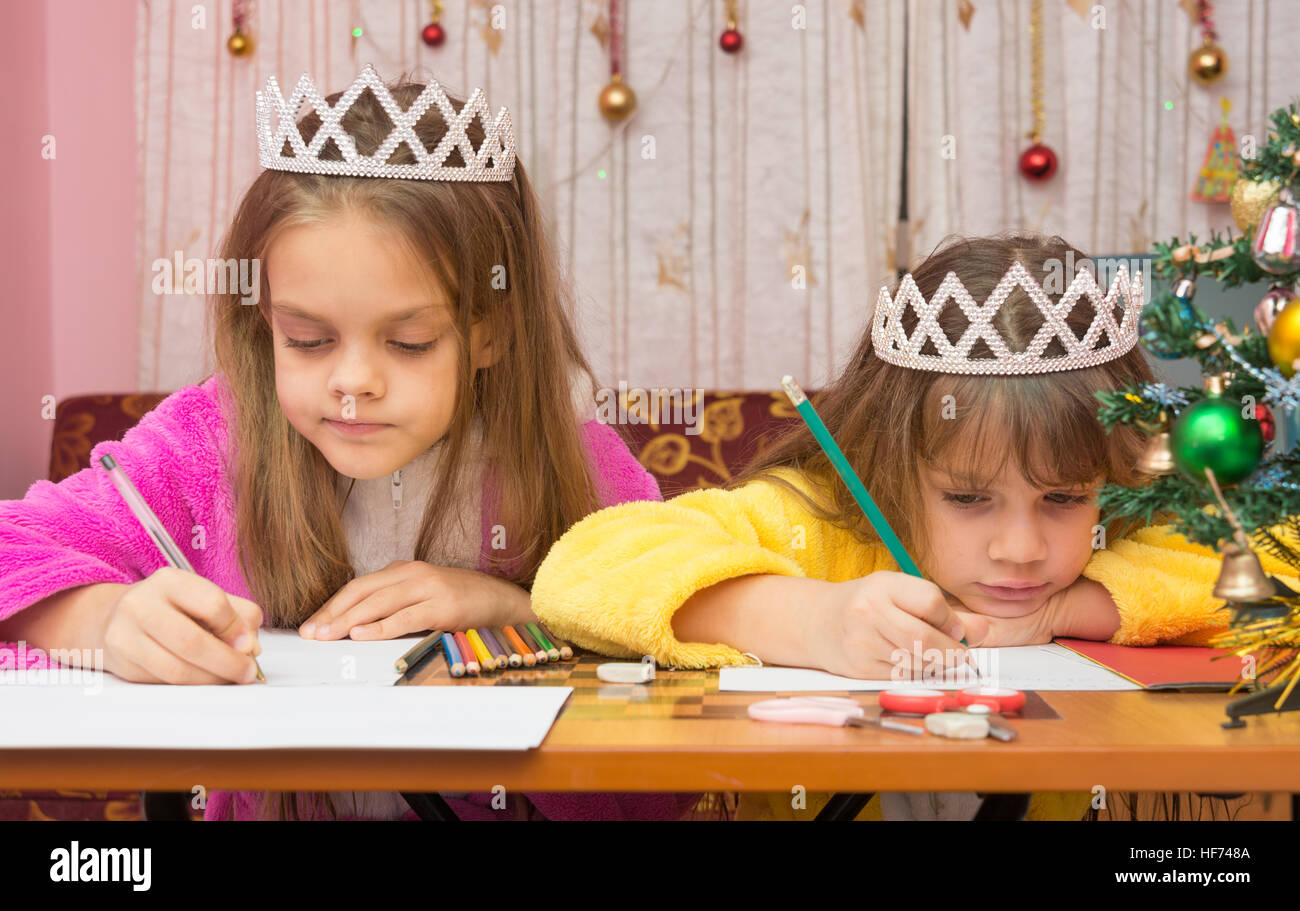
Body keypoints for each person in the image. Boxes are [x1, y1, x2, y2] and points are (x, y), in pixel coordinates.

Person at [0, 66, 695, 822]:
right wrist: (102, 621)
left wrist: (518, 613)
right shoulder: (206, 446)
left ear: (491, 327)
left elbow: (675, 717)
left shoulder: (578, 471)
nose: (354, 381)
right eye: (307, 338)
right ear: (264, 320)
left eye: (408, 341)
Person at [531, 232, 1300, 820]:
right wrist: (811, 618)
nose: (1022, 549)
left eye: (1063, 499)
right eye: (968, 499)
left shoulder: (1124, 527)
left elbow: (1280, 556)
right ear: (887, 459)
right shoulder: (820, 521)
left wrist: (1080, 607)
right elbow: (583, 566)